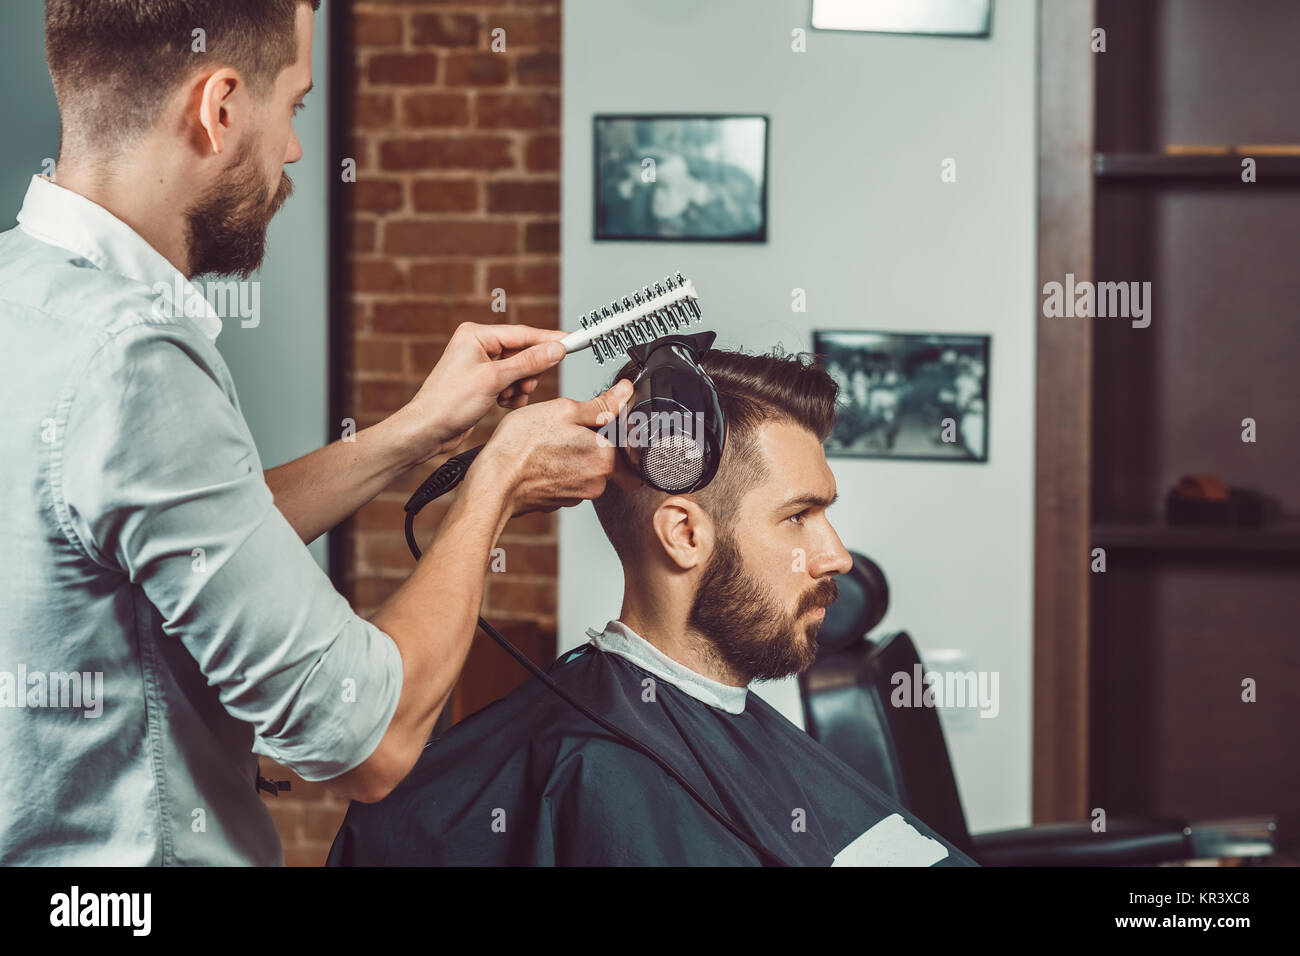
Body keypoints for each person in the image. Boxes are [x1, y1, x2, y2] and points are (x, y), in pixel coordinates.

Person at [0, 0, 631, 865]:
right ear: (220, 107)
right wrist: (498, 482)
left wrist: (413, 434)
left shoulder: (23, 294)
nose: (296, 149)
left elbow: (184, 532)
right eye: (294, 105)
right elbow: (367, 736)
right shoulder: (134, 361)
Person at [329, 350, 979, 866]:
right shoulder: (588, 766)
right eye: (798, 516)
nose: (836, 556)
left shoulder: (709, 727)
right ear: (685, 534)